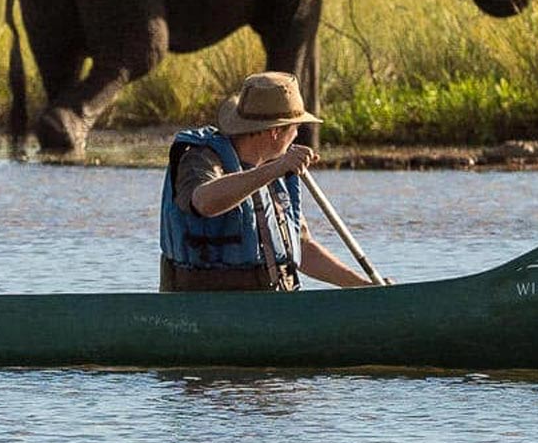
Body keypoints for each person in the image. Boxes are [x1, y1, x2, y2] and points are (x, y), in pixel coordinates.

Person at [160, 71, 377, 292]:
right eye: (295, 127)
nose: (296, 135)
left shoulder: (273, 169)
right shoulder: (201, 158)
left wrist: (362, 287)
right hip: (209, 305)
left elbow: (301, 248)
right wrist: (276, 168)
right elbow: (203, 201)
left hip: (273, 304)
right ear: (275, 131)